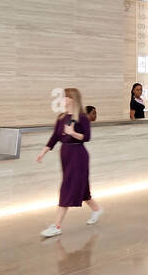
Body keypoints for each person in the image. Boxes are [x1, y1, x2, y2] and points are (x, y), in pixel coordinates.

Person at [37, 86, 102, 237]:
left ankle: (56, 225)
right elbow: (54, 137)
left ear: (73, 99)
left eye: (66, 97)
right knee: (83, 190)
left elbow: (87, 137)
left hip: (78, 155)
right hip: (66, 154)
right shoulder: (61, 117)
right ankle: (97, 209)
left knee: (67, 188)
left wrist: (73, 133)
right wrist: (43, 152)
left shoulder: (83, 117)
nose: (63, 100)